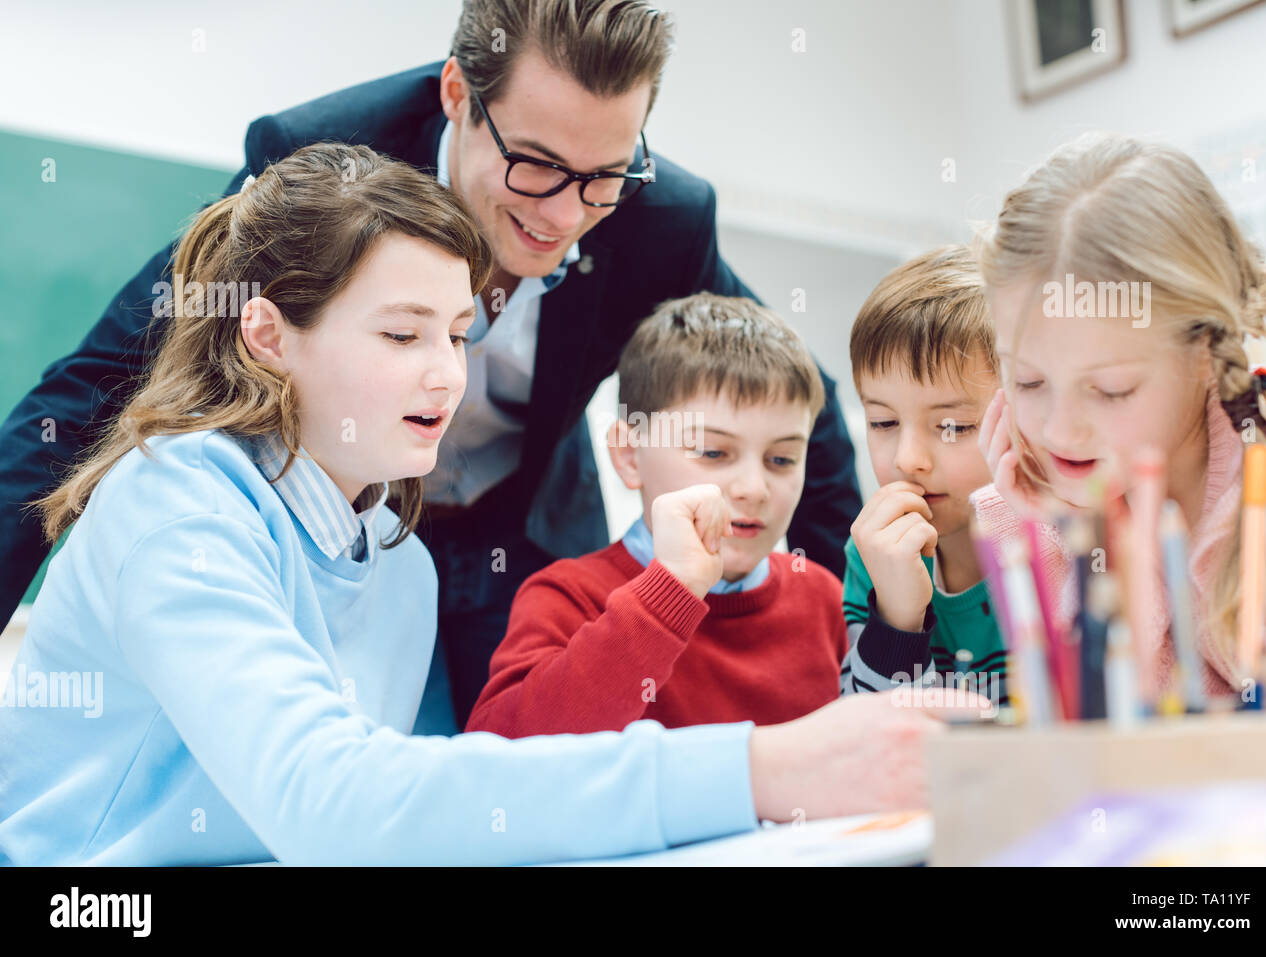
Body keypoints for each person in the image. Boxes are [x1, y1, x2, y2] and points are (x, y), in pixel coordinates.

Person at [0, 143, 959, 867]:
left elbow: (431, 801)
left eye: (457, 335)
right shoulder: (178, 508)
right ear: (267, 333)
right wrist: (767, 769)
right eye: (402, 333)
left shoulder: (396, 562)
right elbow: (329, 800)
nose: (444, 376)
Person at [0, 0, 862, 733]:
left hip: (514, 530)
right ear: (458, 93)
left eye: (603, 175)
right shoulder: (319, 160)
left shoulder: (658, 218)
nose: (565, 215)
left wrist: (863, 627)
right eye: (534, 166)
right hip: (338, 529)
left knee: (521, 769)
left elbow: (804, 402)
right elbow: (98, 383)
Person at [974, 132, 1266, 703]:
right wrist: (1082, 536)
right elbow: (1113, 741)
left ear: (1204, 351)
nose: (1059, 431)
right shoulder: (1025, 506)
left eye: (1110, 389)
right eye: (1026, 381)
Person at [468, 294, 845, 736]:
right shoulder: (567, 597)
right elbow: (502, 752)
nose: (754, 489)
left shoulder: (823, 598)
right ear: (629, 455)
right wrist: (669, 595)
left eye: (781, 460)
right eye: (713, 451)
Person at [838, 246, 1008, 707]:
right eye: (883, 423)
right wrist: (897, 620)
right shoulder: (871, 552)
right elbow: (867, 740)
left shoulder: (1060, 549)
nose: (909, 459)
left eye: (952, 427)